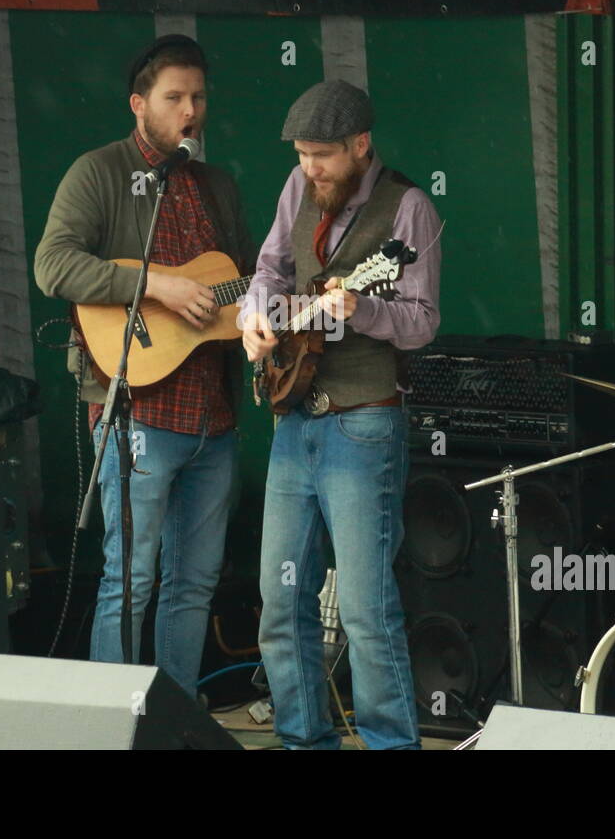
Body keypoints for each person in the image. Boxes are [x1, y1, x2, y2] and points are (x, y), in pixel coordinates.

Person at [34, 34, 253, 698]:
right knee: (128, 580)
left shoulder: (217, 186)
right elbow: (53, 265)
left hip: (213, 418)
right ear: (139, 104)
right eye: (174, 97)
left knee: (194, 583)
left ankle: (176, 720)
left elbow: (250, 280)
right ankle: (115, 723)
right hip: (139, 415)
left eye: (199, 97)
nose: (191, 110)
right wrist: (156, 285)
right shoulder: (98, 172)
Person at [241, 80, 442, 748]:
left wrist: (364, 308)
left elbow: (421, 322)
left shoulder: (408, 207)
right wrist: (256, 319)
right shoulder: (297, 188)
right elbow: (270, 269)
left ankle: (391, 743)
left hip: (364, 422)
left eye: (322, 155)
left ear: (361, 145)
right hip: (294, 417)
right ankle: (303, 739)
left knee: (363, 609)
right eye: (301, 154)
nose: (310, 168)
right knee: (280, 600)